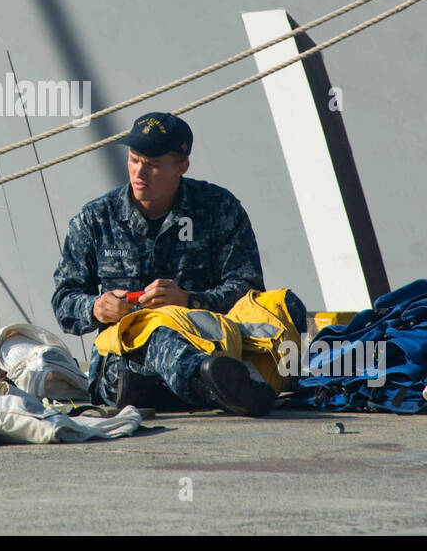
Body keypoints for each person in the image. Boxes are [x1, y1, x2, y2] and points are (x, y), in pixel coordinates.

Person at [52, 112, 275, 416]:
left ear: (181, 167)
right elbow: (65, 298)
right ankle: (208, 383)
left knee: (287, 307)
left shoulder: (218, 209)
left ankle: (209, 383)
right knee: (156, 335)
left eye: (153, 165)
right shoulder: (96, 219)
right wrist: (96, 308)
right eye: (133, 159)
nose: (139, 172)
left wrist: (190, 300)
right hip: (123, 365)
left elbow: (248, 289)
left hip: (206, 342)